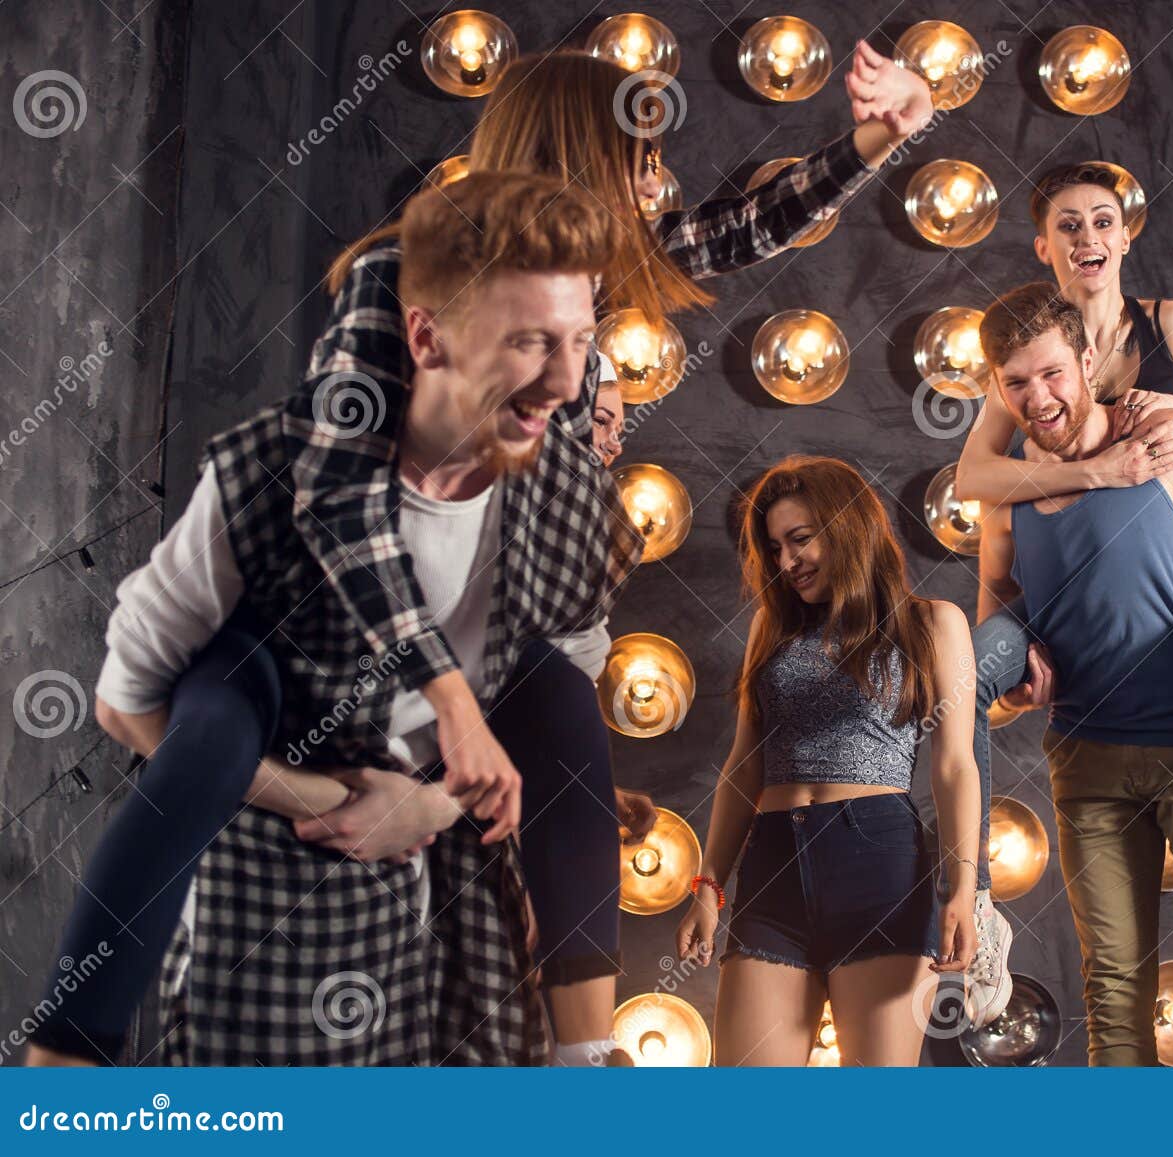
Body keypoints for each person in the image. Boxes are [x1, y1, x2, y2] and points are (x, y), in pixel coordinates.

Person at [27, 43, 934, 1068]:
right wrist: (445, 701)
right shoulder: (409, 273)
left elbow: (737, 228)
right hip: (324, 614)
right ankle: (68, 1053)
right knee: (214, 739)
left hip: (479, 598)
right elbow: (333, 495)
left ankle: (576, 1057)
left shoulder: (585, 280)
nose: (653, 184)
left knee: (563, 727)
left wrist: (879, 134)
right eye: (637, 159)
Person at [28, 173, 633, 1066]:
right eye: (531, 341)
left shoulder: (574, 505)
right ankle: (63, 1078)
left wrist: (439, 801)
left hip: (453, 878)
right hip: (278, 872)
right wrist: (325, 797)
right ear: (425, 335)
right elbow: (124, 708)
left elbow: (558, 693)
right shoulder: (269, 479)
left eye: (581, 340)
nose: (567, 379)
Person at [951, 163, 1173, 1023]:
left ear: (1124, 235)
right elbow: (971, 476)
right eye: (1066, 228)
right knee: (963, 663)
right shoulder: (1027, 374)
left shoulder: (1167, 332)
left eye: (1101, 223)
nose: (1086, 241)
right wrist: (1096, 465)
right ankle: (970, 893)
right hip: (1089, 717)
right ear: (1044, 250)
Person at [975, 283, 1173, 1065]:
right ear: (998, 390)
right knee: (1112, 989)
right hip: (1088, 760)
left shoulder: (1163, 443)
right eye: (1018, 384)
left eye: (1052, 374)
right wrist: (1015, 655)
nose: (1039, 398)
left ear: (1088, 360)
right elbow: (997, 604)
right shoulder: (1006, 501)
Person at [675, 457, 981, 1066]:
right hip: (772, 865)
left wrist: (963, 889)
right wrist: (707, 886)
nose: (787, 562)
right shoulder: (773, 626)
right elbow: (744, 765)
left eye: (800, 540)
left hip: (880, 867)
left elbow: (954, 767)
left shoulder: (932, 623)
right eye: (775, 547)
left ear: (846, 527)